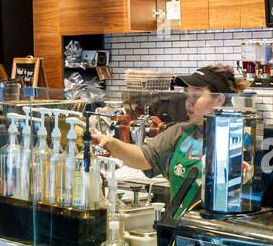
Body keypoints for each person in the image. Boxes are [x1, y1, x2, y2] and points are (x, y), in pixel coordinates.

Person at [95, 65, 237, 214]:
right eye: (187, 96)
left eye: (195, 96)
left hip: (218, 229)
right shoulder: (182, 132)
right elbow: (144, 157)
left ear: (219, 99)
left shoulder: (236, 139)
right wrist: (110, 143)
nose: (188, 102)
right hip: (180, 228)